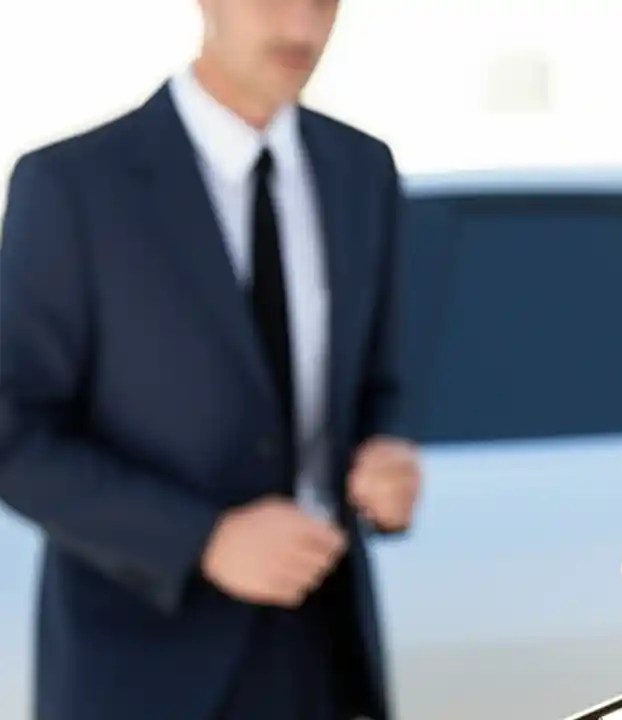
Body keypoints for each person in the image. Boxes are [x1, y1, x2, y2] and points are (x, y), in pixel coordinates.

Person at [0, 0, 423, 718]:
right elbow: (14, 435)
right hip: (141, 667)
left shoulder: (362, 169)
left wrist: (386, 454)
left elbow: (376, 382)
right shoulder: (72, 185)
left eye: (323, 1)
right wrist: (203, 540)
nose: (301, 28)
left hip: (322, 652)